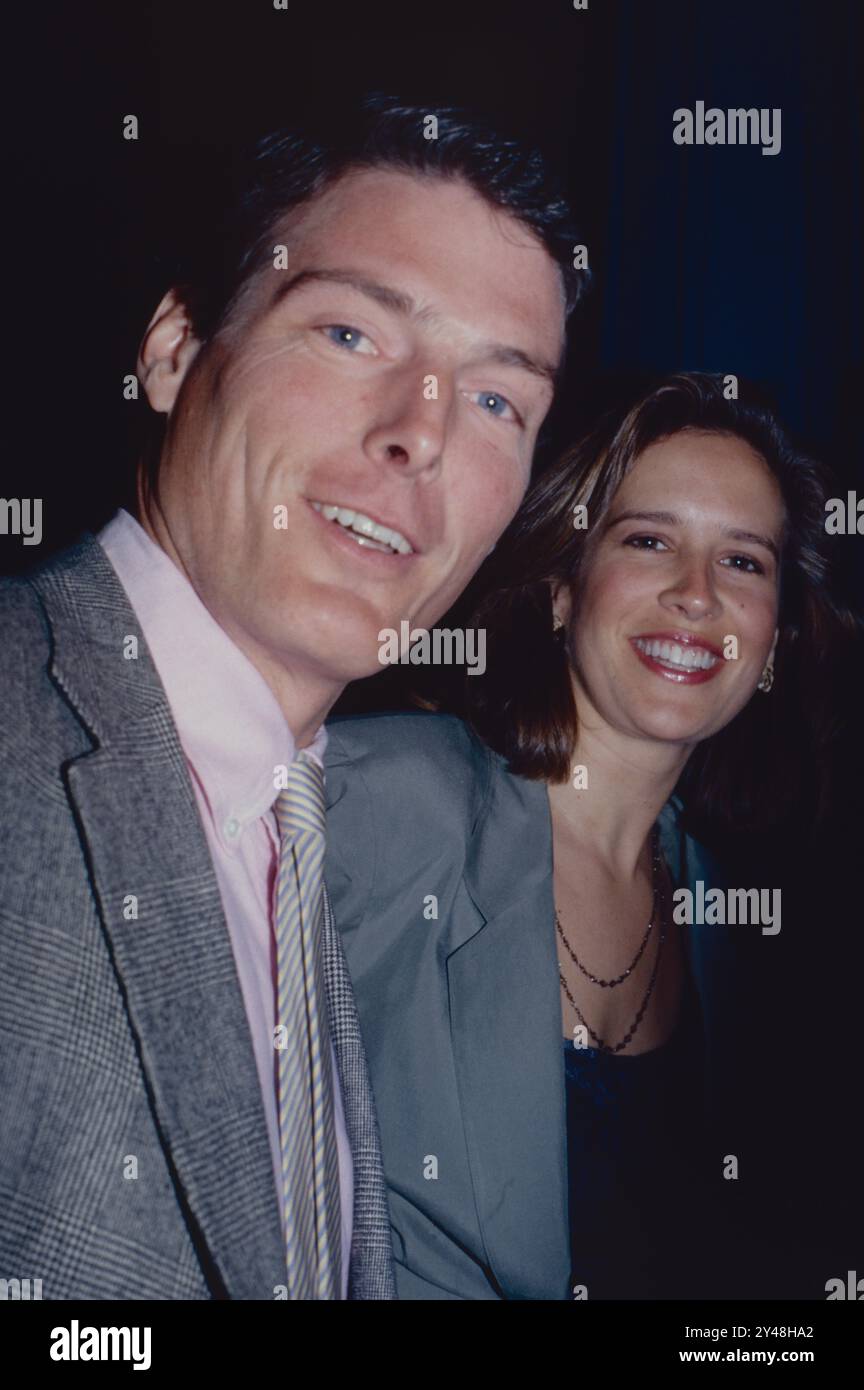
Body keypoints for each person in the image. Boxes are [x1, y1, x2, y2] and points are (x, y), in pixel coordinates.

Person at [0, 95, 587, 1299]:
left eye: (495, 400)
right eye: (352, 335)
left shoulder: (291, 814)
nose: (421, 432)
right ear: (173, 351)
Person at [324, 372, 853, 1299]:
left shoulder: (723, 908)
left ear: (776, 639)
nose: (697, 595)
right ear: (564, 592)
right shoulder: (382, 796)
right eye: (649, 540)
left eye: (743, 562)